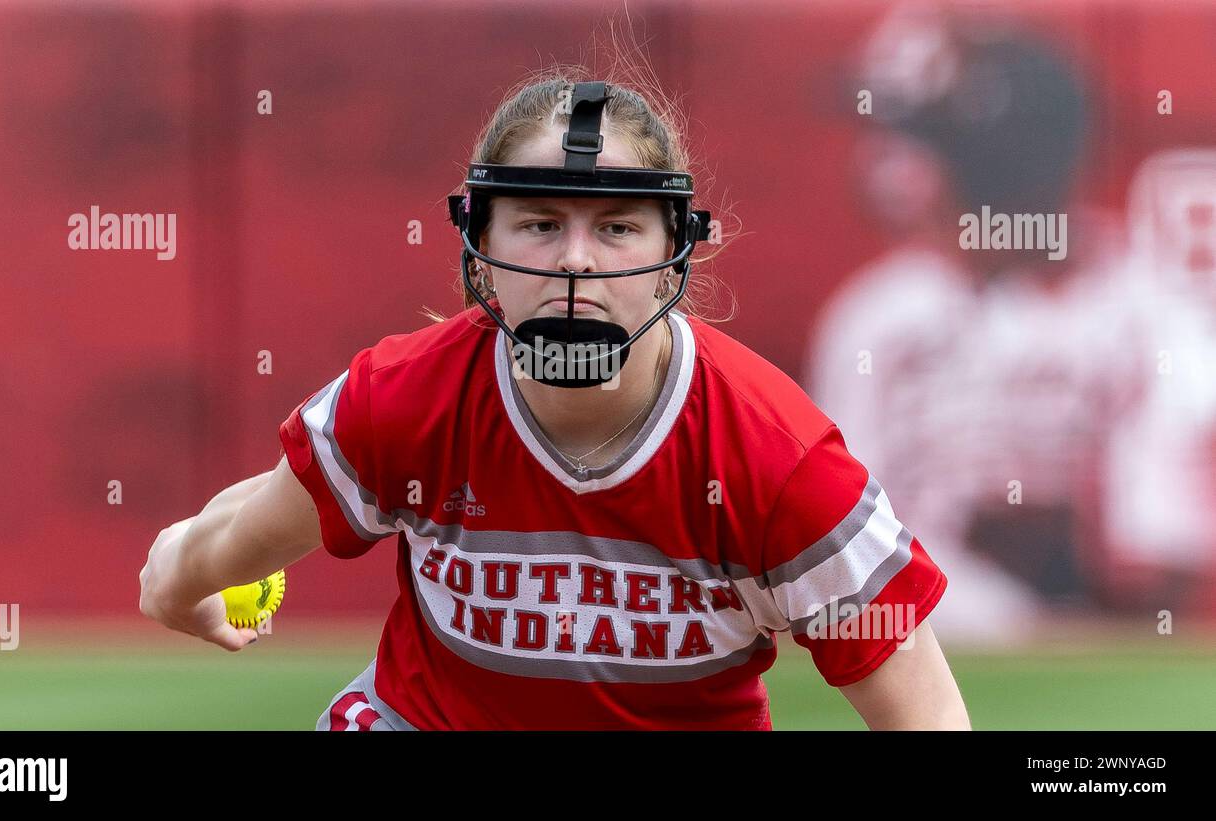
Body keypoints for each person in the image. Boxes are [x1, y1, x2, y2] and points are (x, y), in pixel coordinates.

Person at [139, 74, 968, 730]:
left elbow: (926, 716)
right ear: (481, 252)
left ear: (671, 254)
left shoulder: (777, 461)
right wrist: (178, 584)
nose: (575, 262)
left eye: (616, 228)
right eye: (538, 223)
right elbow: (234, 535)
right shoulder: (404, 401)